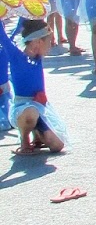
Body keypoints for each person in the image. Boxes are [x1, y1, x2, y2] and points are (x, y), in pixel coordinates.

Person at [1, 18, 66, 155]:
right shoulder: (16, 56)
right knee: (31, 112)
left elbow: (30, 22)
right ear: (38, 41)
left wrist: (30, 15)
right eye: (48, 41)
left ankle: (38, 135)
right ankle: (24, 140)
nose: (50, 45)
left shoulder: (38, 58)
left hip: (40, 107)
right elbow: (4, 38)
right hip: (22, 108)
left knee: (57, 145)